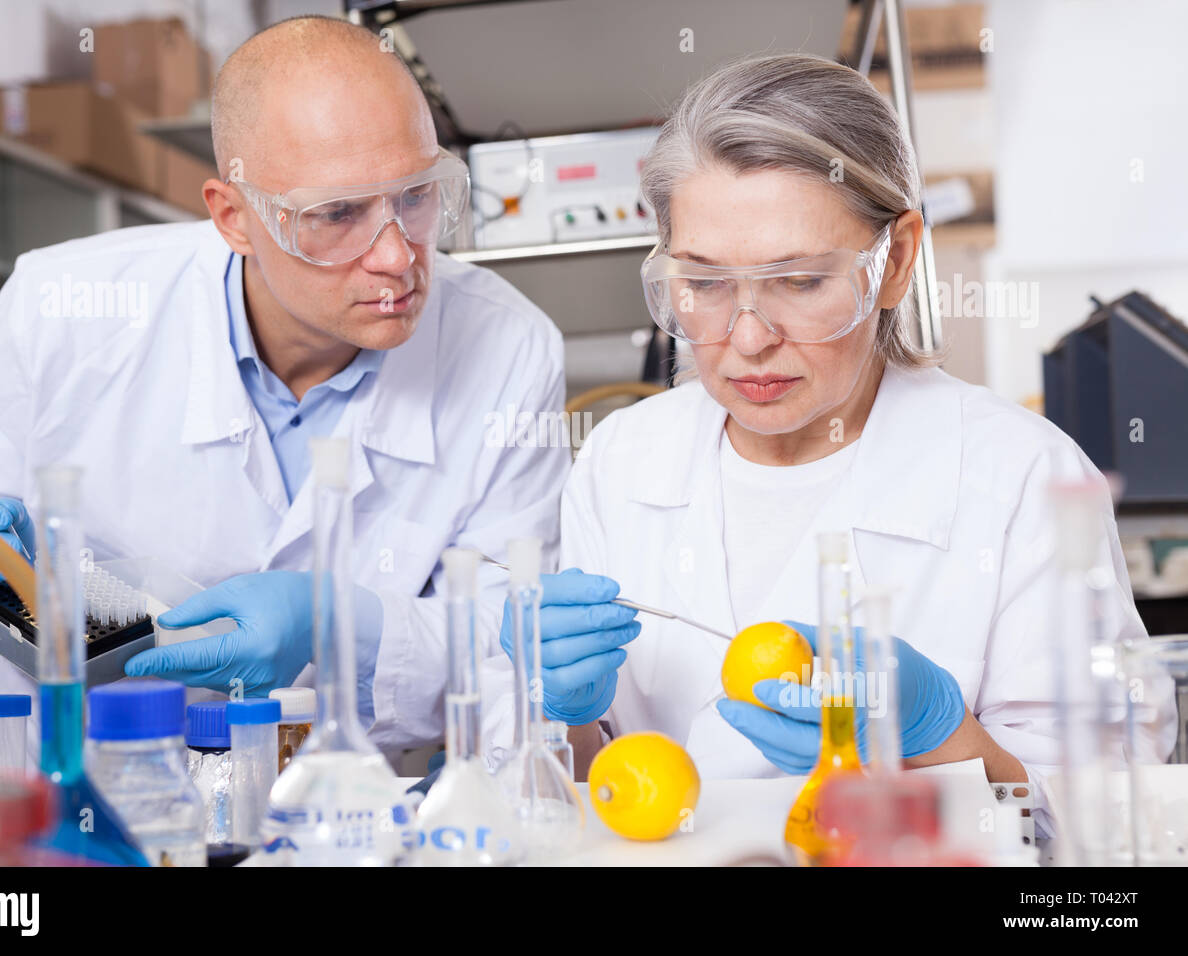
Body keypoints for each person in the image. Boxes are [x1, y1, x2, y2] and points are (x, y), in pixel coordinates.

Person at [0, 15, 626, 752]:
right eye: (336, 213)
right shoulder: (59, 308)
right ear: (234, 217)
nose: (398, 256)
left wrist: (337, 625)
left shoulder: (507, 345)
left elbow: (506, 642)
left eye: (417, 195)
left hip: (352, 808)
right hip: (96, 783)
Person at [486, 53, 1175, 831]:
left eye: (801, 280)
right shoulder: (620, 463)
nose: (747, 338)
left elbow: (1116, 819)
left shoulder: (1021, 476)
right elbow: (581, 797)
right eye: (705, 284)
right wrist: (561, 714)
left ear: (896, 261)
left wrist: (939, 737)